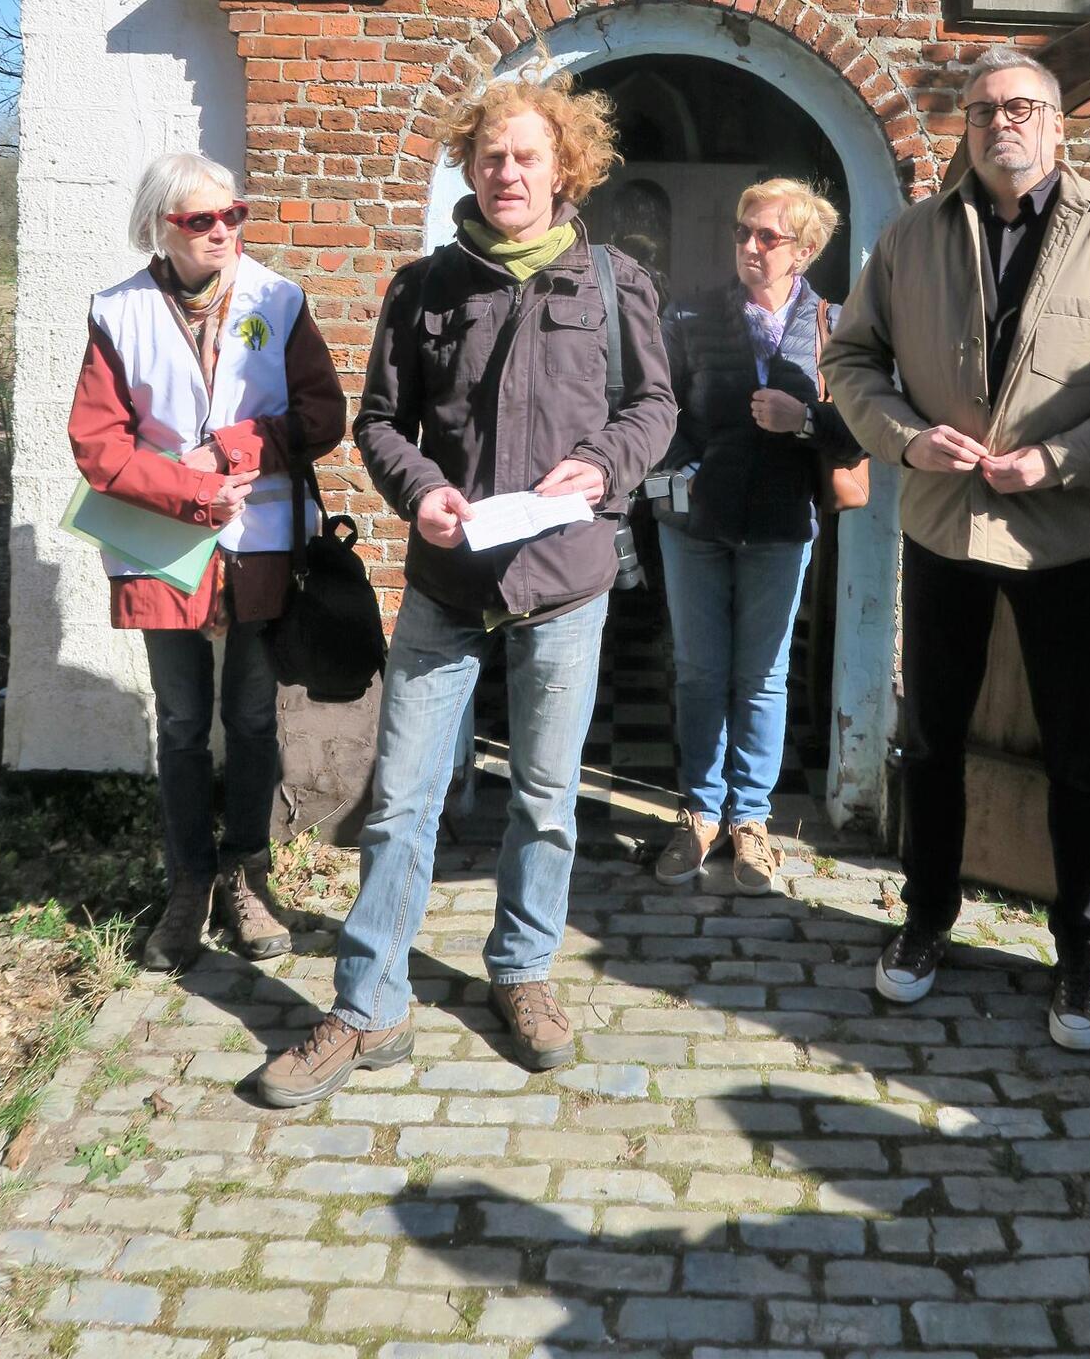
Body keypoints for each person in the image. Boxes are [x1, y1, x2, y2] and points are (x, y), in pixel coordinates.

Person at [256, 70, 675, 1105]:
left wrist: (608, 466)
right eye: (491, 156)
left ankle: (523, 973)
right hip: (447, 580)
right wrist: (424, 490)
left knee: (545, 797)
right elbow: (382, 422)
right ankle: (369, 1005)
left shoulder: (616, 283)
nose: (508, 173)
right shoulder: (424, 285)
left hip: (565, 580)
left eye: (528, 155)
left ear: (564, 166)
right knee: (400, 799)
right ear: (470, 167)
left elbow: (656, 405)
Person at [822, 45, 1090, 1051]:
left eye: (1025, 107)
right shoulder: (912, 236)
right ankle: (923, 921)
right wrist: (907, 436)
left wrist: (1067, 459)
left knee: (1079, 755)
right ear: (966, 125)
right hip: (944, 529)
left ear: (1057, 124)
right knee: (930, 740)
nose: (1005, 124)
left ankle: (1083, 952)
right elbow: (851, 357)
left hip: (1065, 538)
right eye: (987, 108)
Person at [68, 153, 346, 972]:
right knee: (185, 723)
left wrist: (233, 451)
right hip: (159, 544)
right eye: (201, 220)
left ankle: (248, 874)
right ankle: (189, 880)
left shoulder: (278, 299)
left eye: (233, 214)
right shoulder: (118, 312)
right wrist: (190, 490)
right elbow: (97, 442)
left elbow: (321, 414)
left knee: (254, 717)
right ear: (163, 226)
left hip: (257, 543)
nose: (222, 230)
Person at [653, 178, 862, 894]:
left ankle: (751, 820)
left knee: (763, 678)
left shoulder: (835, 324)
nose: (748, 245)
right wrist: (680, 464)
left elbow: (866, 424)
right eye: (743, 231)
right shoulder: (694, 312)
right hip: (695, 521)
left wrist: (800, 421)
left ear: (802, 249)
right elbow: (660, 405)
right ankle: (700, 813)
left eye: (766, 236)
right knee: (700, 672)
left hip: (780, 522)